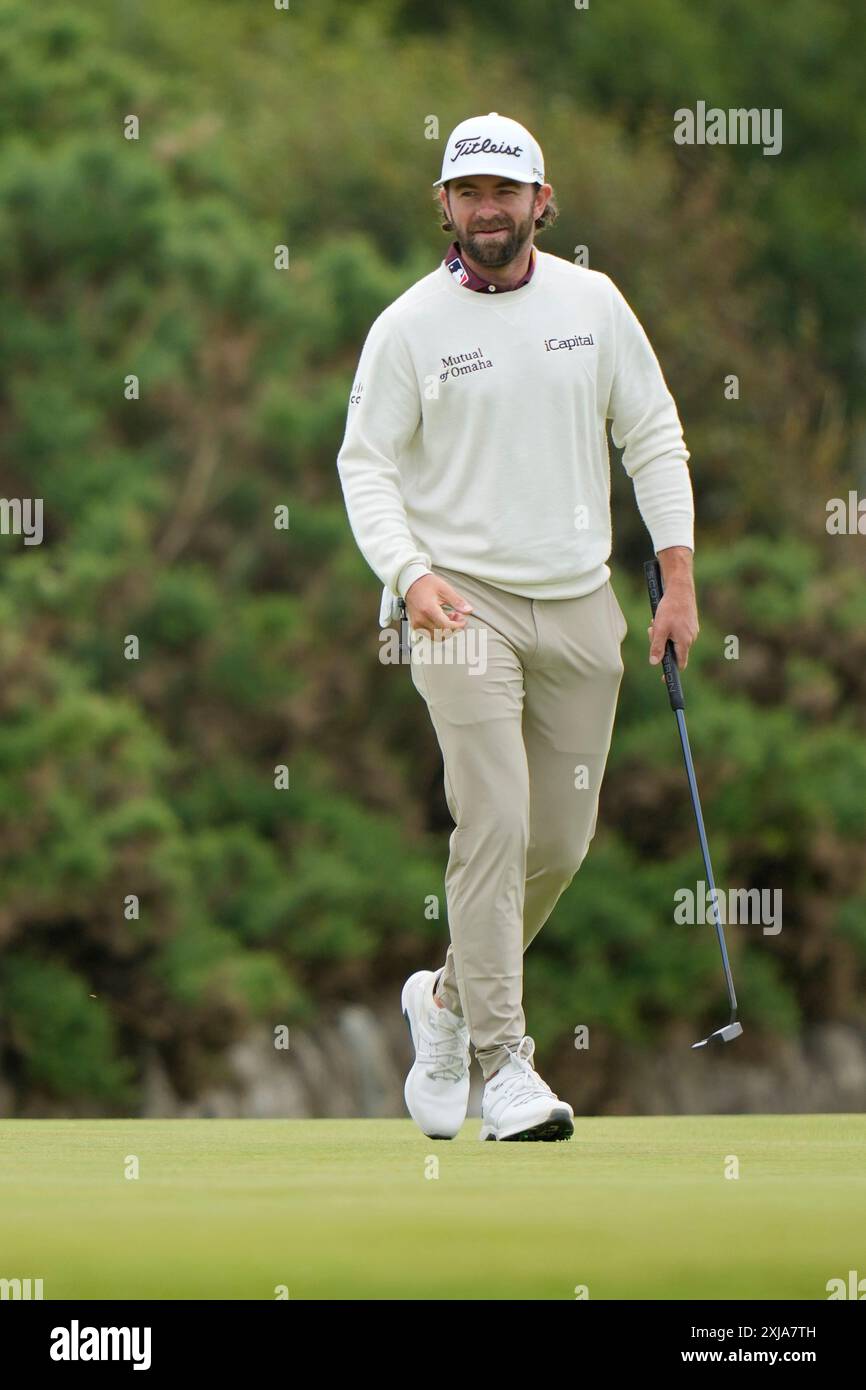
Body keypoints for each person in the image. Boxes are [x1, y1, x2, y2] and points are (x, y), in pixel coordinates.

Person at [336, 112, 698, 1141]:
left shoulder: (592, 304)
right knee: (491, 819)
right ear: (442, 206)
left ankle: (444, 1002)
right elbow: (363, 465)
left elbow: (652, 433)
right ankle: (506, 1069)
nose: (487, 211)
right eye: (468, 193)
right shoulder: (407, 327)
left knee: (557, 838)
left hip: (579, 600)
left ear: (542, 202)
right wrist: (406, 576)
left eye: (505, 193)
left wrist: (674, 578)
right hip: (455, 600)